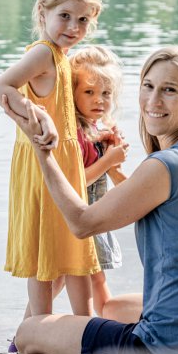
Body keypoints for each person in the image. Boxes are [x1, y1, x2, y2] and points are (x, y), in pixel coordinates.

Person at [1, 46, 178, 354]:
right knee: (112, 308)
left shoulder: (166, 166)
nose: (153, 101)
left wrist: (42, 149)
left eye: (169, 90)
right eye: (148, 86)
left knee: (29, 335)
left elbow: (81, 222)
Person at [0, 0, 104, 348]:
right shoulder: (42, 53)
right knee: (47, 257)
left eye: (83, 20)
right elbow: (0, 88)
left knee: (72, 253)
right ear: (43, 11)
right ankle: (37, 337)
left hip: (62, 166)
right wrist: (36, 115)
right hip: (43, 170)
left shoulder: (62, 57)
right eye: (65, 16)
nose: (73, 27)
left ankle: (81, 330)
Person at [70, 45, 129, 316]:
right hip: (77, 216)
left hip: (94, 214)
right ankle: (28, 328)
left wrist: (111, 152)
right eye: (89, 92)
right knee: (59, 279)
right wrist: (107, 160)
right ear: (72, 93)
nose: (99, 100)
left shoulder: (96, 128)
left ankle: (105, 319)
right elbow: (75, 182)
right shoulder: (74, 134)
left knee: (97, 276)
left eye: (106, 93)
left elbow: (115, 177)